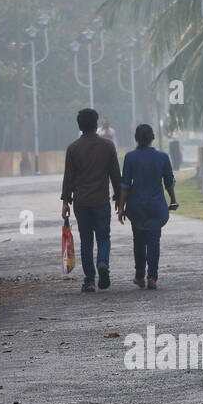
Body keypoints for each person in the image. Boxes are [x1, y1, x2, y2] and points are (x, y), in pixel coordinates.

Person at [61, 107, 121, 293]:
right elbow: (115, 175)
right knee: (103, 237)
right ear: (96, 125)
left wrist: (65, 201)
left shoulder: (73, 148)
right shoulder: (108, 146)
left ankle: (89, 281)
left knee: (86, 240)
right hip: (101, 201)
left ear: (80, 125)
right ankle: (102, 262)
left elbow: (68, 177)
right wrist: (119, 198)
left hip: (81, 202)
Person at [117, 123, 176, 290]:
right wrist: (173, 200)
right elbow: (169, 182)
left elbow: (125, 186)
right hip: (156, 205)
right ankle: (152, 277)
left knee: (139, 241)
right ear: (153, 138)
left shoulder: (130, 158)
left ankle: (139, 276)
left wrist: (121, 208)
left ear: (136, 139)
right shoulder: (162, 157)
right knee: (154, 241)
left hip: (137, 206)